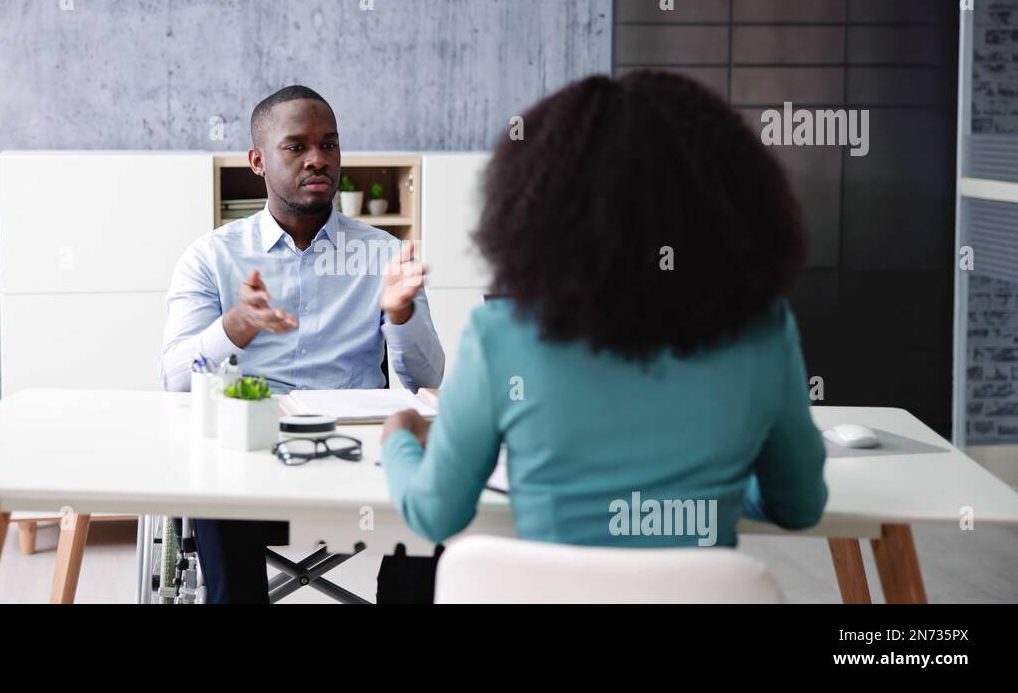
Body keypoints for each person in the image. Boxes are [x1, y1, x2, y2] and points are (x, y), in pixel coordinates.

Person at [381, 71, 828, 554]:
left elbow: (435, 513)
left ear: (542, 205)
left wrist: (397, 437)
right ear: (734, 199)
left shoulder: (502, 335)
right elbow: (798, 505)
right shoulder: (763, 329)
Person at [161, 84, 444, 603]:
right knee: (216, 490)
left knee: (433, 486)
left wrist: (400, 315)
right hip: (249, 462)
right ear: (258, 161)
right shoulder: (211, 257)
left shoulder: (383, 253)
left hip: (358, 463)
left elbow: (427, 383)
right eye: (296, 147)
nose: (318, 159)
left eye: (330, 145)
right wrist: (236, 326)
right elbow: (175, 381)